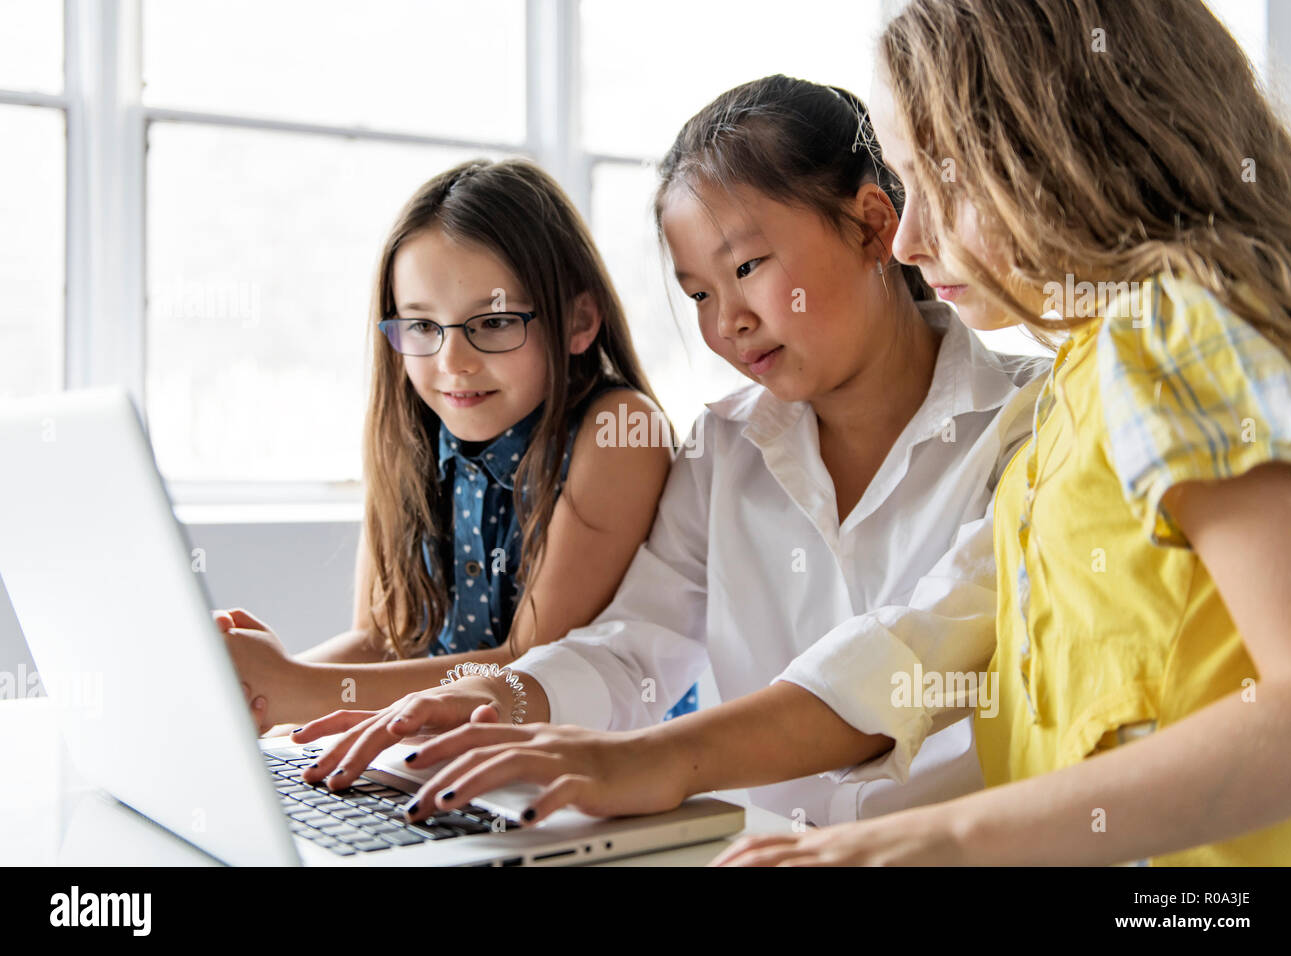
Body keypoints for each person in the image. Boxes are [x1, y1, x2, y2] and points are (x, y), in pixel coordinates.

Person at [291, 75, 1046, 827]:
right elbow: (633, 647)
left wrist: (647, 760)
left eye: (747, 268)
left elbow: (913, 651)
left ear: (874, 227)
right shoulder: (723, 447)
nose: (728, 325)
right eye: (699, 295)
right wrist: (502, 696)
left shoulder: (1034, 422)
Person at [714, 0, 1291, 865]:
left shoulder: (1171, 333)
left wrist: (942, 838)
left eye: (939, 184)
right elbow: (937, 628)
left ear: (1068, 148)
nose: (907, 240)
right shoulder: (1080, 378)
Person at [212, 157, 696, 733]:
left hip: (586, 778)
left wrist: (291, 687)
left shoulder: (618, 432)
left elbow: (526, 668)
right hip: (437, 765)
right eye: (421, 326)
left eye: (493, 323)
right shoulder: (411, 437)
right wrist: (249, 693)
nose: (452, 363)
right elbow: (379, 643)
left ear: (578, 320)